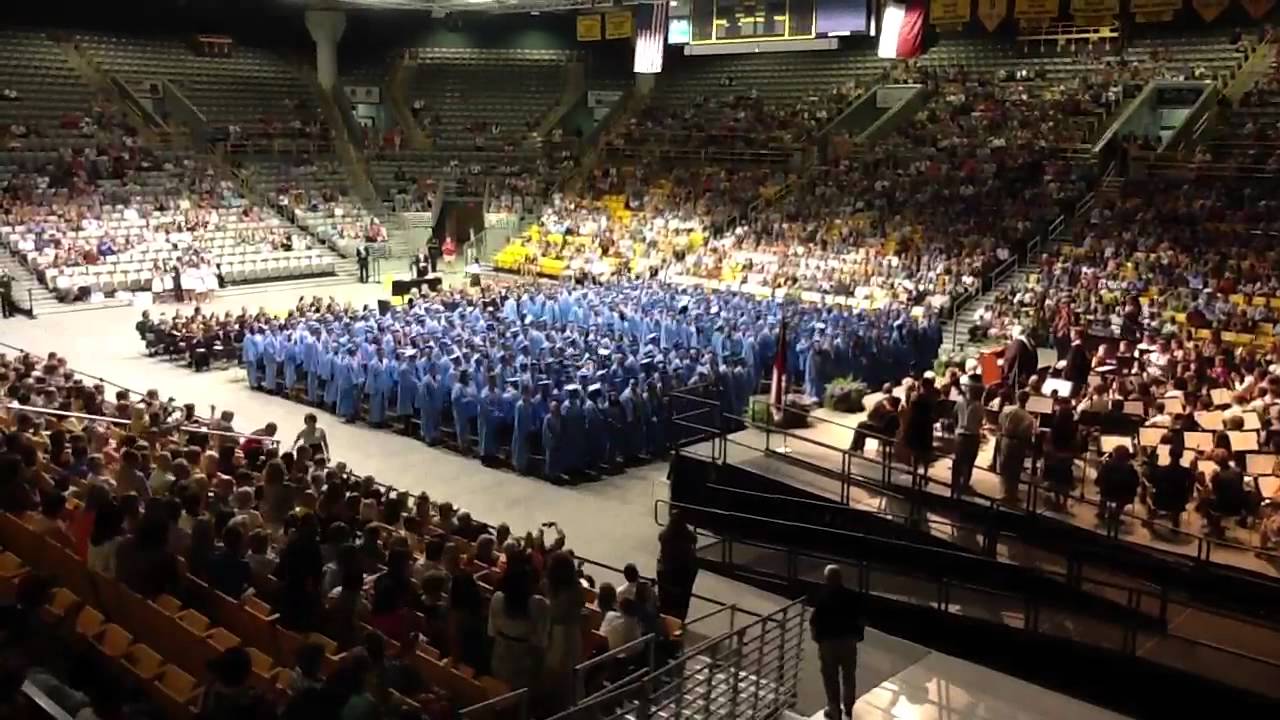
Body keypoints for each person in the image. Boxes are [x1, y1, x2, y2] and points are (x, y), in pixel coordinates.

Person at [810, 565, 864, 720]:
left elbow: (814, 621)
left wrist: (817, 639)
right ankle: (849, 706)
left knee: (830, 676)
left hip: (828, 643)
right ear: (841, 578)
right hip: (848, 641)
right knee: (849, 675)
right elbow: (861, 620)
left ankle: (834, 708)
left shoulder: (823, 597)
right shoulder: (852, 597)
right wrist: (857, 636)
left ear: (827, 579)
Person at [488, 562, 549, 690]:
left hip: (498, 661)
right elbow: (540, 644)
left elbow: (491, 633)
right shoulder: (538, 604)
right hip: (523, 666)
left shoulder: (497, 598)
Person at [656, 510, 698, 621]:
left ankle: (665, 617)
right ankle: (680, 619)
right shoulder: (687, 535)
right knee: (683, 598)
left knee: (666, 596)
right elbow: (694, 539)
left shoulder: (664, 534)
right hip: (684, 570)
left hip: (667, 569)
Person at [997, 390, 1036, 502]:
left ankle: (1005, 492)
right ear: (1027, 400)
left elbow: (1000, 422)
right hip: (1019, 443)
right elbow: (1028, 434)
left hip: (1005, 439)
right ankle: (1012, 493)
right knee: (1016, 469)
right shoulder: (1029, 418)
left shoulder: (1006, 409)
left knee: (1004, 467)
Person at [951, 377, 983, 497]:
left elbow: (954, 416)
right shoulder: (979, 406)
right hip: (973, 436)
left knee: (957, 462)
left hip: (959, 435)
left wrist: (956, 428)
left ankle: (955, 485)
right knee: (969, 463)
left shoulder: (959, 401)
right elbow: (980, 422)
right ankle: (964, 485)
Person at [1096, 444, 1140, 531]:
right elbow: (1136, 482)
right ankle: (1116, 515)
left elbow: (1098, 480)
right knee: (1126, 493)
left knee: (1103, 489)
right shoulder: (1130, 468)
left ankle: (1102, 511)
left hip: (1107, 492)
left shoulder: (1107, 465)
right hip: (1123, 496)